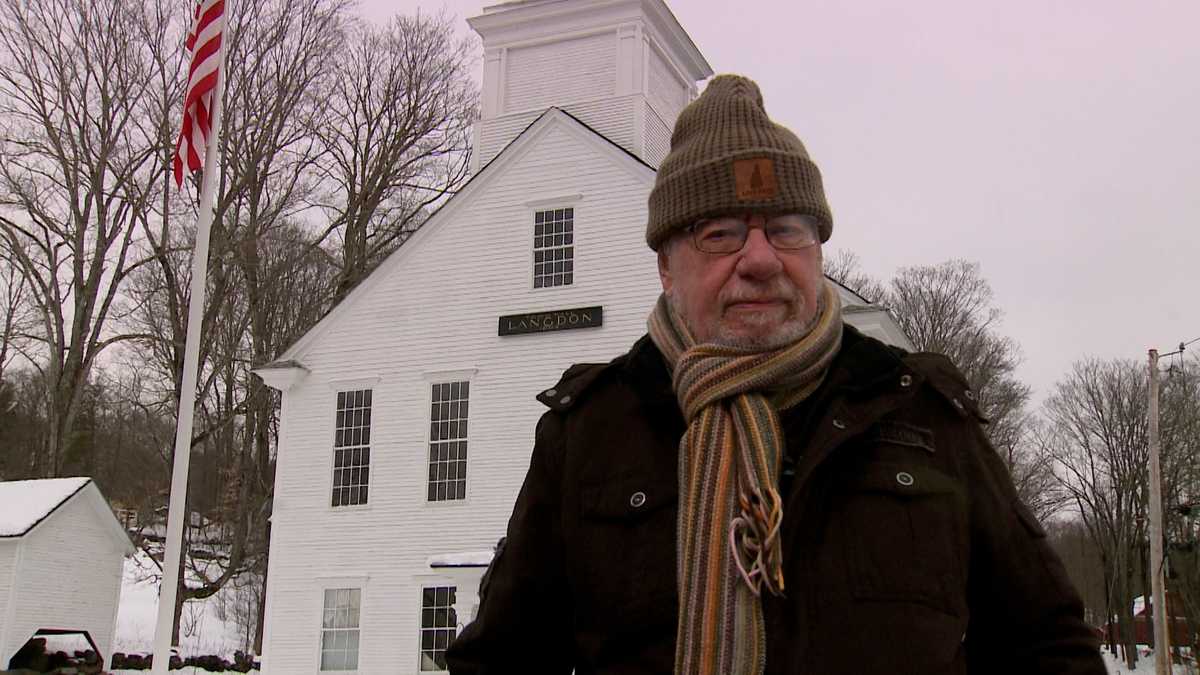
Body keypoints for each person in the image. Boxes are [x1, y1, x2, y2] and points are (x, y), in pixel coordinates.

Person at [446, 74, 1105, 675]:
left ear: (816, 252)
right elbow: (503, 661)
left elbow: (1047, 646)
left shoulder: (920, 415)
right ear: (667, 268)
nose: (760, 259)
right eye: (721, 233)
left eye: (786, 229)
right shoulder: (591, 433)